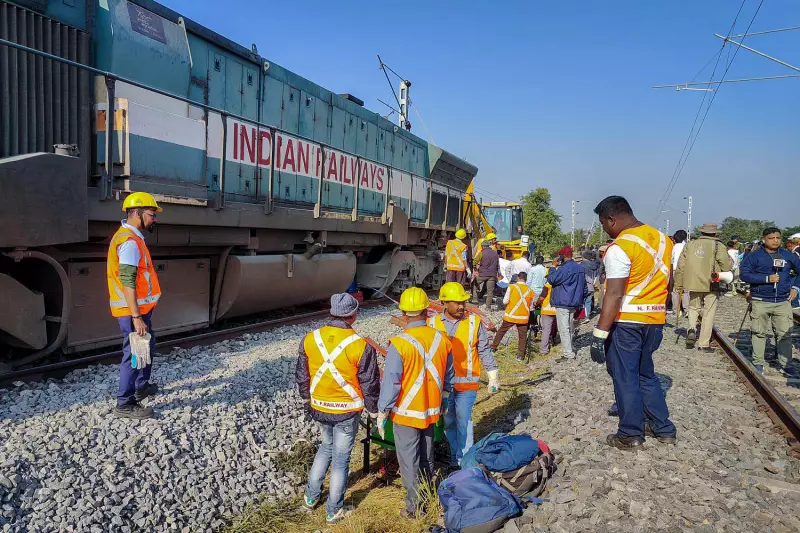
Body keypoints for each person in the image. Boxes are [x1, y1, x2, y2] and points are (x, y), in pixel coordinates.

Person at [589, 196, 676, 450]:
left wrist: (600, 333)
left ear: (611, 219)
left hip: (627, 322)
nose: (605, 229)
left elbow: (614, 294)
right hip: (654, 319)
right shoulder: (663, 240)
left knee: (625, 377)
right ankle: (663, 428)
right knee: (645, 374)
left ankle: (630, 433)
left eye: (603, 224)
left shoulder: (620, 248)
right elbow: (668, 283)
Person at [296, 293, 380, 524]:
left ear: (332, 312)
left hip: (319, 406)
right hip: (346, 410)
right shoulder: (360, 345)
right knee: (341, 460)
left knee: (325, 448)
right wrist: (374, 410)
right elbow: (369, 382)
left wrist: (306, 398)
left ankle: (310, 499)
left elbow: (303, 373)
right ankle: (334, 510)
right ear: (353, 316)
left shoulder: (310, 338)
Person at [376, 287, 454, 519]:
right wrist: (445, 399)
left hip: (406, 414)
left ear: (403, 312)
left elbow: (391, 383)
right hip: (431, 411)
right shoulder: (442, 339)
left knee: (409, 461)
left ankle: (415, 509)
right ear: (427, 310)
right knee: (426, 455)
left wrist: (382, 412)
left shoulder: (399, 344)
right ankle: (428, 495)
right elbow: (448, 375)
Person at [428, 283, 499, 466]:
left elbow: (483, 349)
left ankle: (465, 462)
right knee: (449, 421)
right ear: (444, 303)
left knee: (464, 420)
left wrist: (492, 374)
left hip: (467, 384)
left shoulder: (474, 322)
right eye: (457, 303)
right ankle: (455, 455)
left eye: (463, 303)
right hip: (443, 385)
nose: (461, 306)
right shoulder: (433, 323)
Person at [108, 192, 163, 419]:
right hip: (133, 311)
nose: (154, 219)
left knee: (146, 345)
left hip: (140, 309)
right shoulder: (129, 243)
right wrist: (136, 317)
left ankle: (142, 386)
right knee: (133, 351)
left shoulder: (134, 238)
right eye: (151, 214)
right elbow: (128, 281)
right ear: (137, 213)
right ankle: (124, 403)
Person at [738, 228, 800, 376]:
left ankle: (786, 364)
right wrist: (766, 279)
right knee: (758, 333)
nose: (775, 240)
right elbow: (744, 274)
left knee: (784, 333)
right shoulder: (754, 256)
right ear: (764, 239)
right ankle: (758, 362)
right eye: (771, 238)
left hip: (783, 301)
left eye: (778, 237)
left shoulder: (788, 255)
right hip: (760, 301)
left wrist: (796, 287)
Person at [673, 223, 732, 351]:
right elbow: (726, 266)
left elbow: (681, 266)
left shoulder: (690, 245)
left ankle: (691, 329)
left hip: (692, 283)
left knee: (693, 308)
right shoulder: (719, 246)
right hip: (712, 283)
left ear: (702, 232)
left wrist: (678, 284)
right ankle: (703, 343)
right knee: (708, 313)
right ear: (715, 233)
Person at [546, 247, 586, 359]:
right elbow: (585, 288)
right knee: (570, 327)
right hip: (574, 302)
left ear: (563, 256)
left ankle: (568, 354)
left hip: (563, 302)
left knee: (564, 329)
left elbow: (552, 280)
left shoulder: (564, 269)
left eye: (560, 256)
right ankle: (570, 348)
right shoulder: (580, 268)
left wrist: (553, 267)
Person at [490, 272, 534, 360]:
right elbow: (531, 306)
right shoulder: (530, 290)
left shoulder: (512, 287)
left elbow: (505, 301)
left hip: (511, 315)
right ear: (526, 279)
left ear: (518, 278)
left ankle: (493, 348)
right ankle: (520, 355)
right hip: (523, 317)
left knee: (502, 331)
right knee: (522, 336)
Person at [472, 240, 499, 308]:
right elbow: (498, 265)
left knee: (474, 284)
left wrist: (475, 270)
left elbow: (474, 262)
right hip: (492, 275)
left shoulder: (482, 252)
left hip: (483, 274)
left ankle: (475, 299)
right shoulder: (495, 253)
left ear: (482, 246)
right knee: (490, 292)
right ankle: (488, 307)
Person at [669, 230, 690, 316]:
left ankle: (676, 310)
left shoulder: (674, 247)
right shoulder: (687, 246)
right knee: (686, 290)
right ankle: (687, 310)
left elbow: (671, 260)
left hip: (676, 270)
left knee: (676, 290)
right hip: (687, 270)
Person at [536, 280, 557, 355]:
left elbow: (541, 298)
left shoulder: (547, 286)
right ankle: (554, 340)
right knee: (556, 327)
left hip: (547, 309)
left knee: (546, 330)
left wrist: (537, 303)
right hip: (558, 309)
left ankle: (544, 350)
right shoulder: (561, 284)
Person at [582, 250, 602, 320]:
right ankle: (587, 316)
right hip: (592, 286)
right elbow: (598, 275)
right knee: (588, 301)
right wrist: (594, 282)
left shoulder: (582, 265)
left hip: (584, 286)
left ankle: (583, 315)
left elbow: (583, 276)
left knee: (583, 301)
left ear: (584, 257)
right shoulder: (596, 265)